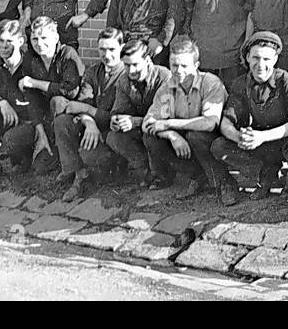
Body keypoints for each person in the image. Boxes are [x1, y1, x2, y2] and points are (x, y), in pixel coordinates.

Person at [210, 31, 288, 204]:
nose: (260, 65)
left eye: (267, 59)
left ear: (275, 59)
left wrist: (262, 137)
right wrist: (239, 137)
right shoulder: (241, 83)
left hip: (283, 139)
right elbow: (227, 121)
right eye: (255, 58)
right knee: (219, 146)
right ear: (247, 58)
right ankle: (265, 177)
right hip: (260, 142)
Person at [141, 37, 232, 203]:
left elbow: (210, 123)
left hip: (214, 138)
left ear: (196, 66)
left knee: (195, 136)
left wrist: (168, 123)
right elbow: (148, 122)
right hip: (185, 137)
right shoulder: (167, 88)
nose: (178, 71)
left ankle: (224, 182)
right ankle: (196, 176)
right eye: (174, 65)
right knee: (152, 137)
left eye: (184, 65)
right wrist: (172, 135)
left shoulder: (210, 82)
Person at [0, 20, 50, 193]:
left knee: (11, 141)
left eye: (9, 41)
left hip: (30, 125)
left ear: (20, 41)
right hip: (6, 121)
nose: (4, 47)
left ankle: (24, 158)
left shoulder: (31, 66)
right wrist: (0, 101)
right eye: (0, 41)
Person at [53, 27, 126, 202]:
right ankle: (78, 173)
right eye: (102, 49)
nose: (106, 55)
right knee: (62, 121)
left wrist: (89, 112)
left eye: (112, 49)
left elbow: (117, 116)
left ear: (121, 48)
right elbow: (83, 103)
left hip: (113, 134)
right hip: (93, 128)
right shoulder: (93, 71)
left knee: (89, 153)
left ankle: (95, 175)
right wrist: (89, 121)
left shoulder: (127, 74)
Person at [17, 15, 85, 174]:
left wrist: (35, 83)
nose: (39, 43)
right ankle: (45, 147)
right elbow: (31, 98)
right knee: (39, 168)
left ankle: (66, 157)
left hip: (73, 116)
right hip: (47, 118)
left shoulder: (68, 53)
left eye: (44, 37)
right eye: (35, 39)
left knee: (58, 101)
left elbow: (70, 90)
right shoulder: (30, 58)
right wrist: (40, 133)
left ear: (56, 37)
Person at [105, 39, 173, 186]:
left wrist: (135, 121)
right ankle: (144, 171)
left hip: (164, 131)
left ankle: (162, 175)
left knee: (152, 134)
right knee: (113, 137)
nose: (131, 71)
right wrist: (116, 120)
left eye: (135, 65)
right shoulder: (124, 80)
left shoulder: (164, 77)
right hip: (140, 129)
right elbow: (120, 110)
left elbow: (166, 116)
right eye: (127, 65)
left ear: (148, 60)